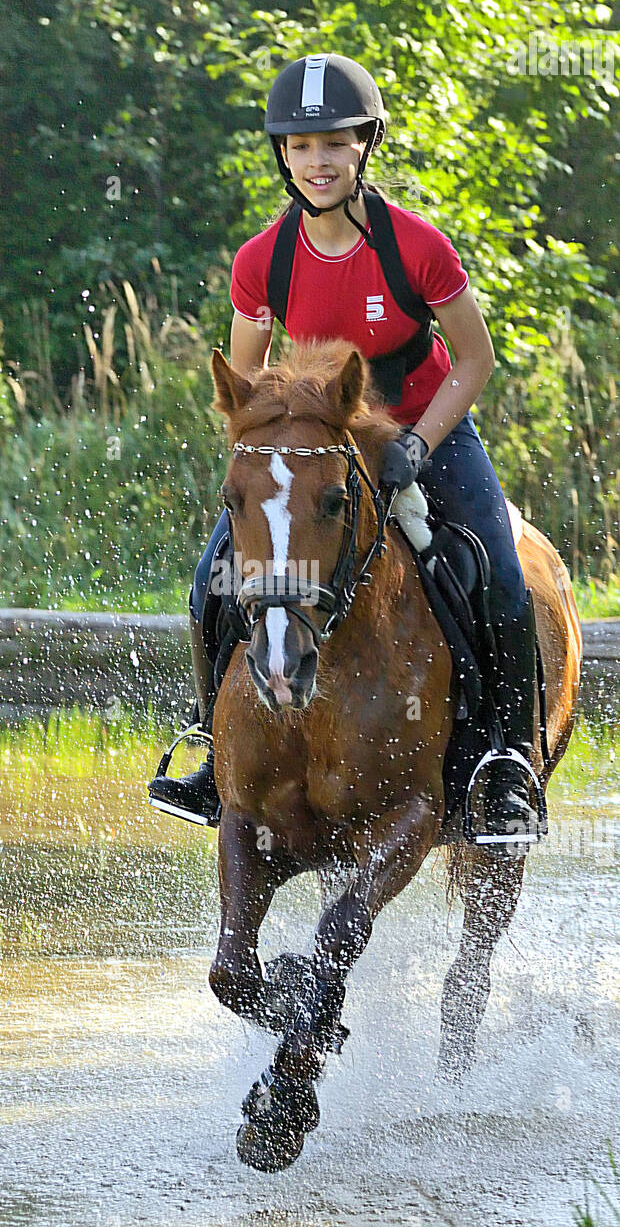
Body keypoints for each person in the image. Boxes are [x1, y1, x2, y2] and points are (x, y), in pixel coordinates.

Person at [149, 52, 540, 840]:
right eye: (300, 147)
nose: (317, 161)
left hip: (428, 428)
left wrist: (420, 448)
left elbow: (475, 360)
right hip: (314, 447)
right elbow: (249, 382)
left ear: (366, 145)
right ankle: (209, 750)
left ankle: (506, 762)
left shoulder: (416, 246)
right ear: (282, 157)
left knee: (498, 572)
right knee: (209, 582)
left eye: (334, 143)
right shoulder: (264, 259)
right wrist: (266, 458)